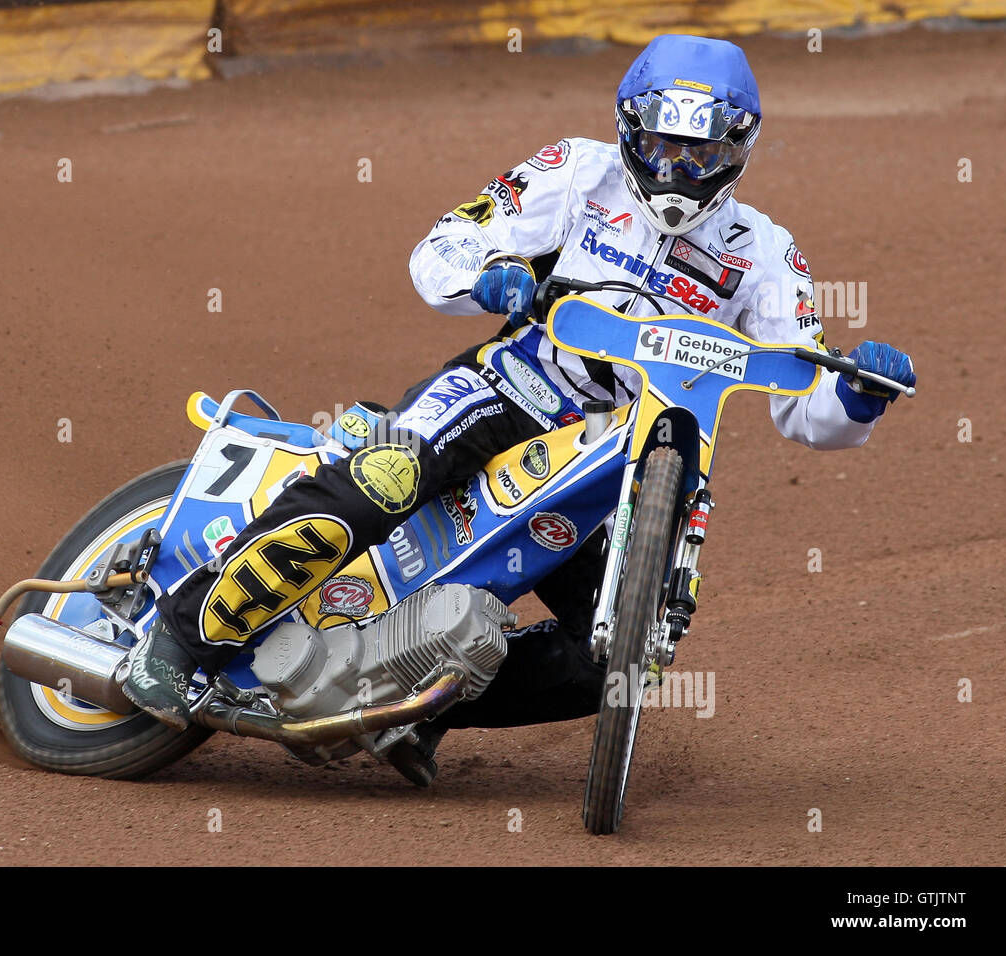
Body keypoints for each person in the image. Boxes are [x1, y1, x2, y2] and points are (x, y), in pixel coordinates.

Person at [121, 34, 916, 782]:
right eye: (662, 144)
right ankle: (183, 635)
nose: (677, 167)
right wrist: (493, 271)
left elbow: (805, 404)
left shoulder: (767, 256)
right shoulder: (577, 170)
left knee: (615, 663)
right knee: (386, 475)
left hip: (616, 463)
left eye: (701, 150)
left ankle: (408, 705)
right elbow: (442, 247)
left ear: (738, 147)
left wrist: (856, 394)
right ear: (629, 130)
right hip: (508, 389)